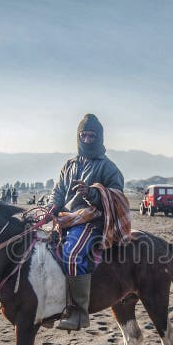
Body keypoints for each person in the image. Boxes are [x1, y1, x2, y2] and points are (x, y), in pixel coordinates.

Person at [47, 114, 125, 331]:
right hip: (66, 219)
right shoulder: (69, 165)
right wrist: (51, 207)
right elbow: (58, 192)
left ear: (99, 138)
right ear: (78, 136)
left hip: (92, 221)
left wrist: (91, 193)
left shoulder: (108, 167)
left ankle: (79, 313)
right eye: (84, 136)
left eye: (92, 136)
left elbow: (117, 196)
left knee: (72, 254)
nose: (88, 140)